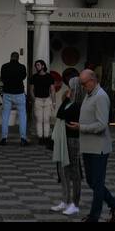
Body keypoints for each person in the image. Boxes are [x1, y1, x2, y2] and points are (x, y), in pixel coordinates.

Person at [70, 68, 115, 222]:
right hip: (88, 146)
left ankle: (94, 217)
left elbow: (102, 125)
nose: (82, 86)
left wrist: (81, 127)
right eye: (80, 83)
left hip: (99, 148)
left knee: (98, 183)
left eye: (84, 83)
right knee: (92, 181)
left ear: (93, 81)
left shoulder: (101, 97)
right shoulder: (89, 94)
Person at [50, 74, 83, 216]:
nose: (68, 89)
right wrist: (67, 99)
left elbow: (64, 116)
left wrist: (68, 99)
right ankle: (65, 199)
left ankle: (75, 203)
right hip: (63, 138)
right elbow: (60, 113)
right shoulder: (69, 101)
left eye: (70, 86)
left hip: (72, 140)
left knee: (74, 171)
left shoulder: (78, 104)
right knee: (62, 170)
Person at [0, 50, 28, 145]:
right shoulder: (22, 67)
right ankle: (23, 139)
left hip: (7, 93)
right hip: (19, 93)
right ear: (18, 58)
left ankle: (4, 138)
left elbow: (2, 78)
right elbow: (23, 77)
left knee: (5, 116)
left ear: (10, 57)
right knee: (22, 116)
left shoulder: (4, 66)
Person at [30, 59, 54, 145]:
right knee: (39, 120)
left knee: (47, 120)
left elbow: (52, 90)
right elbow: (31, 90)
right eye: (36, 65)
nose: (37, 67)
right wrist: (34, 99)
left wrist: (53, 102)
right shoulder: (34, 77)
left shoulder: (49, 76)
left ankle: (46, 137)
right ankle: (40, 138)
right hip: (38, 100)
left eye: (38, 65)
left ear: (43, 66)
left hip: (47, 100)